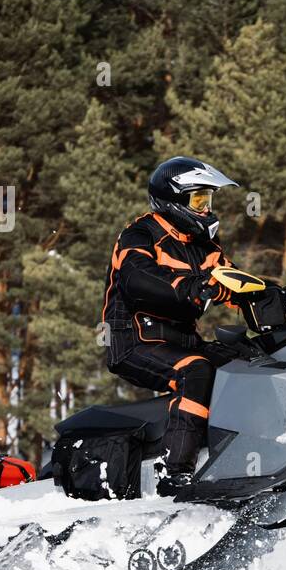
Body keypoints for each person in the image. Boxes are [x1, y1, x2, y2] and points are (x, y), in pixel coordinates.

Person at [101, 156, 244, 498]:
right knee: (196, 371)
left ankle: (256, 456)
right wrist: (192, 287)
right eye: (198, 200)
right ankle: (175, 472)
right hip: (135, 341)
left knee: (247, 362)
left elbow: (235, 280)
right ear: (173, 199)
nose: (206, 208)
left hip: (182, 341)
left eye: (208, 200)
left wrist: (278, 299)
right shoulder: (139, 235)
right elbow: (139, 278)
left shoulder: (205, 247)